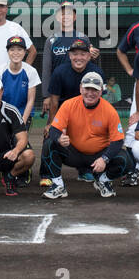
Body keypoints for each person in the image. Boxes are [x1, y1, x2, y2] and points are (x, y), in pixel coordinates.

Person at [41, 72, 133, 199]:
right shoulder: (69, 104)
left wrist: (104, 159)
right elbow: (53, 130)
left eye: (94, 89)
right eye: (87, 88)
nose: (90, 93)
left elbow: (117, 141)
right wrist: (59, 138)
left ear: (101, 91)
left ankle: (103, 180)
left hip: (98, 157)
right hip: (74, 153)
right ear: (80, 88)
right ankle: (58, 185)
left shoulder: (109, 111)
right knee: (49, 144)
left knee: (125, 160)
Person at [42, 38, 98, 186]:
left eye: (82, 54)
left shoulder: (96, 71)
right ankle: (47, 173)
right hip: (63, 111)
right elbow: (54, 100)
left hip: (87, 111)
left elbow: (100, 100)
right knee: (50, 135)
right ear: (69, 55)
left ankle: (85, 169)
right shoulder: (60, 72)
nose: (78, 57)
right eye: (75, 54)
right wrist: (51, 123)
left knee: (91, 135)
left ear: (88, 56)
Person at [40, 1, 98, 97]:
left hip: (79, 91)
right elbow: (46, 70)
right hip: (58, 92)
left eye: (69, 14)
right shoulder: (51, 40)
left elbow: (90, 66)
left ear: (74, 17)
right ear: (58, 18)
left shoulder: (83, 38)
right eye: (62, 14)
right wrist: (46, 96)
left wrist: (93, 57)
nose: (66, 17)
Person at [0, 35, 40, 121]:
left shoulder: (31, 71)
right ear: (7, 52)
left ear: (25, 52)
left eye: (19, 49)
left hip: (23, 114)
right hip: (3, 115)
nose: (16, 53)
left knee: (20, 134)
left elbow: (31, 100)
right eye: (12, 49)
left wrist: (23, 122)